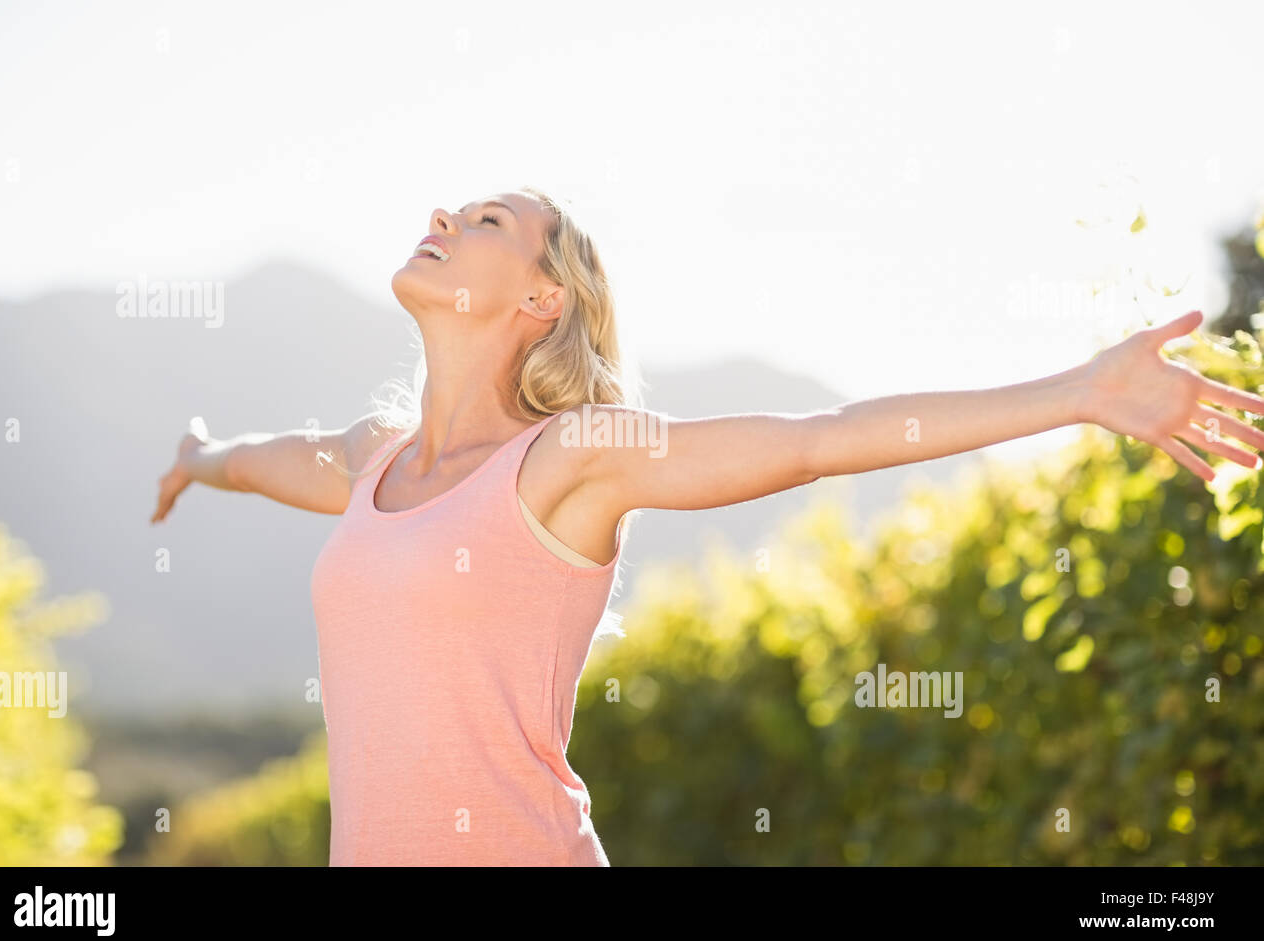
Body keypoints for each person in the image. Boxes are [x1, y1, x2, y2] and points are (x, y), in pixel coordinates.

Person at [151, 186, 1264, 865]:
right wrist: (198, 458)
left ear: (543, 300)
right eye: (451, 208)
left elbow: (816, 437)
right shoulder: (371, 457)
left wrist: (1076, 390)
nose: (442, 217)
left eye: (486, 219)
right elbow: (259, 460)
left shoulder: (570, 458)